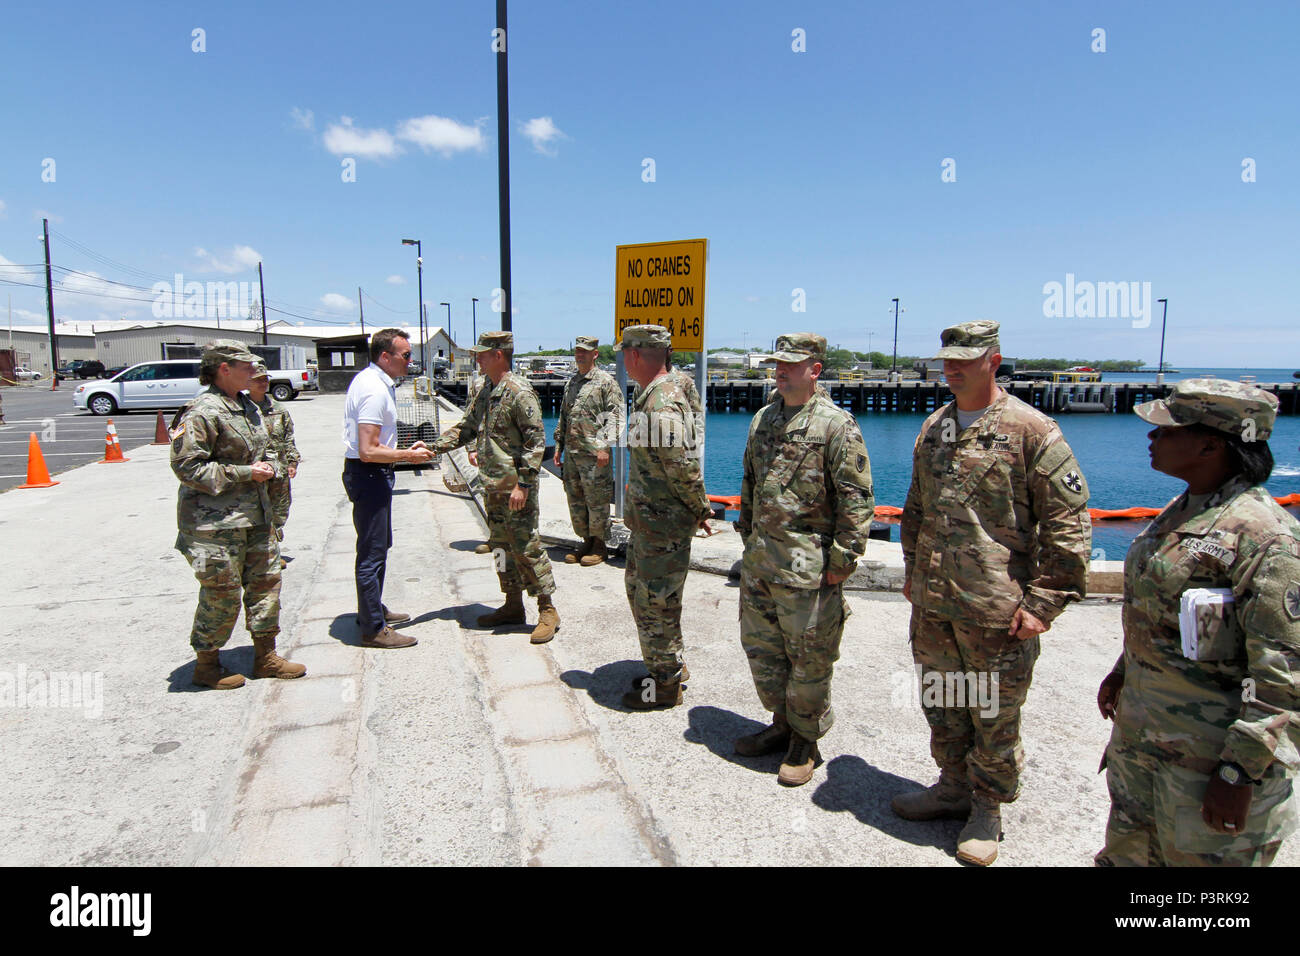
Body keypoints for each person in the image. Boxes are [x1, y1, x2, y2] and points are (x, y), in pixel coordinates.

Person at [894, 320, 1092, 866]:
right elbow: (916, 507)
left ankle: (987, 807)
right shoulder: (935, 426)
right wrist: (912, 569)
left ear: (994, 361)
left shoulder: (1032, 429)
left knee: (992, 712)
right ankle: (951, 786)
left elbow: (1068, 523)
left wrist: (1044, 603)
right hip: (935, 601)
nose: (951, 368)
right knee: (943, 699)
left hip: (995, 607)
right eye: (946, 360)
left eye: (964, 359)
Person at [1095, 379, 1300, 866]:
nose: (1152, 438)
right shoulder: (1187, 510)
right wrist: (1126, 670)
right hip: (1149, 744)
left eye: (1167, 430)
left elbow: (1284, 677)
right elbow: (1169, 613)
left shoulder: (1265, 538)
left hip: (1209, 760)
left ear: (1211, 444)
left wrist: (1238, 774)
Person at [735, 334, 875, 786]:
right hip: (761, 562)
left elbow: (857, 499)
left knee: (810, 659)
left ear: (815, 369)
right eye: (778, 363)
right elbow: (750, 484)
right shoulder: (763, 418)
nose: (781, 370)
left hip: (809, 569)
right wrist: (746, 535)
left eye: (791, 364)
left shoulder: (836, 426)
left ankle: (805, 740)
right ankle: (781, 723)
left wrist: (844, 559)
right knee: (764, 652)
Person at [171, 340, 306, 688]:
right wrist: (246, 474)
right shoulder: (201, 411)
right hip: (213, 524)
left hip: (256, 516)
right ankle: (207, 663)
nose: (254, 371)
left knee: (266, 583)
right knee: (222, 592)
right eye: (246, 366)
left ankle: (265, 656)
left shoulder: (247, 406)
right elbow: (187, 467)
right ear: (223, 369)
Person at [433, 331, 559, 644]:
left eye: (483, 354)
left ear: (499, 354)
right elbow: (466, 428)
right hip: (493, 485)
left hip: (516, 487)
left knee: (526, 547)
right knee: (501, 547)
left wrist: (524, 485)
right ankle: (513, 605)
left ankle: (547, 609)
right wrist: (432, 448)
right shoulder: (487, 388)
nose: (477, 358)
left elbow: (536, 441)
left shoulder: (519, 391)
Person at [617, 324, 713, 710]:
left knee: (653, 601)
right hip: (651, 519)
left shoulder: (661, 402)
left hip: (662, 524)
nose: (622, 360)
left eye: (625, 353)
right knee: (650, 595)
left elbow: (682, 464)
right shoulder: (666, 388)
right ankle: (669, 662)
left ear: (636, 356)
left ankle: (665, 684)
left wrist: (700, 508)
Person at [342, 328, 430, 649]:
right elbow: (368, 449)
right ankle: (373, 629)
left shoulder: (374, 382)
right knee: (372, 551)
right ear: (385, 357)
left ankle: (372, 609)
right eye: (405, 355)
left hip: (371, 473)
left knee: (378, 545)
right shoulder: (374, 390)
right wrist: (408, 455)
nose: (410, 361)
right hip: (370, 473)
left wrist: (405, 445)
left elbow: (379, 439)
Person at [553, 336, 623, 566]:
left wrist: (604, 446)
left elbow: (615, 416)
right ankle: (585, 540)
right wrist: (558, 446)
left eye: (585, 351)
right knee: (576, 499)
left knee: (597, 500)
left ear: (595, 354)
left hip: (595, 455)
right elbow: (564, 416)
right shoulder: (572, 382)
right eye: (578, 351)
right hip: (572, 453)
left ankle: (600, 544)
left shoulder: (605, 382)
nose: (580, 355)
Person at [247, 361, 302, 566]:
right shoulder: (242, 409)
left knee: (280, 510)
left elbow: (288, 437)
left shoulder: (278, 409)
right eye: (257, 380)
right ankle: (269, 553)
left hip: (279, 470)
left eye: (265, 379)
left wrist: (292, 461)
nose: (263, 383)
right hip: (256, 470)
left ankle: (271, 547)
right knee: (259, 512)